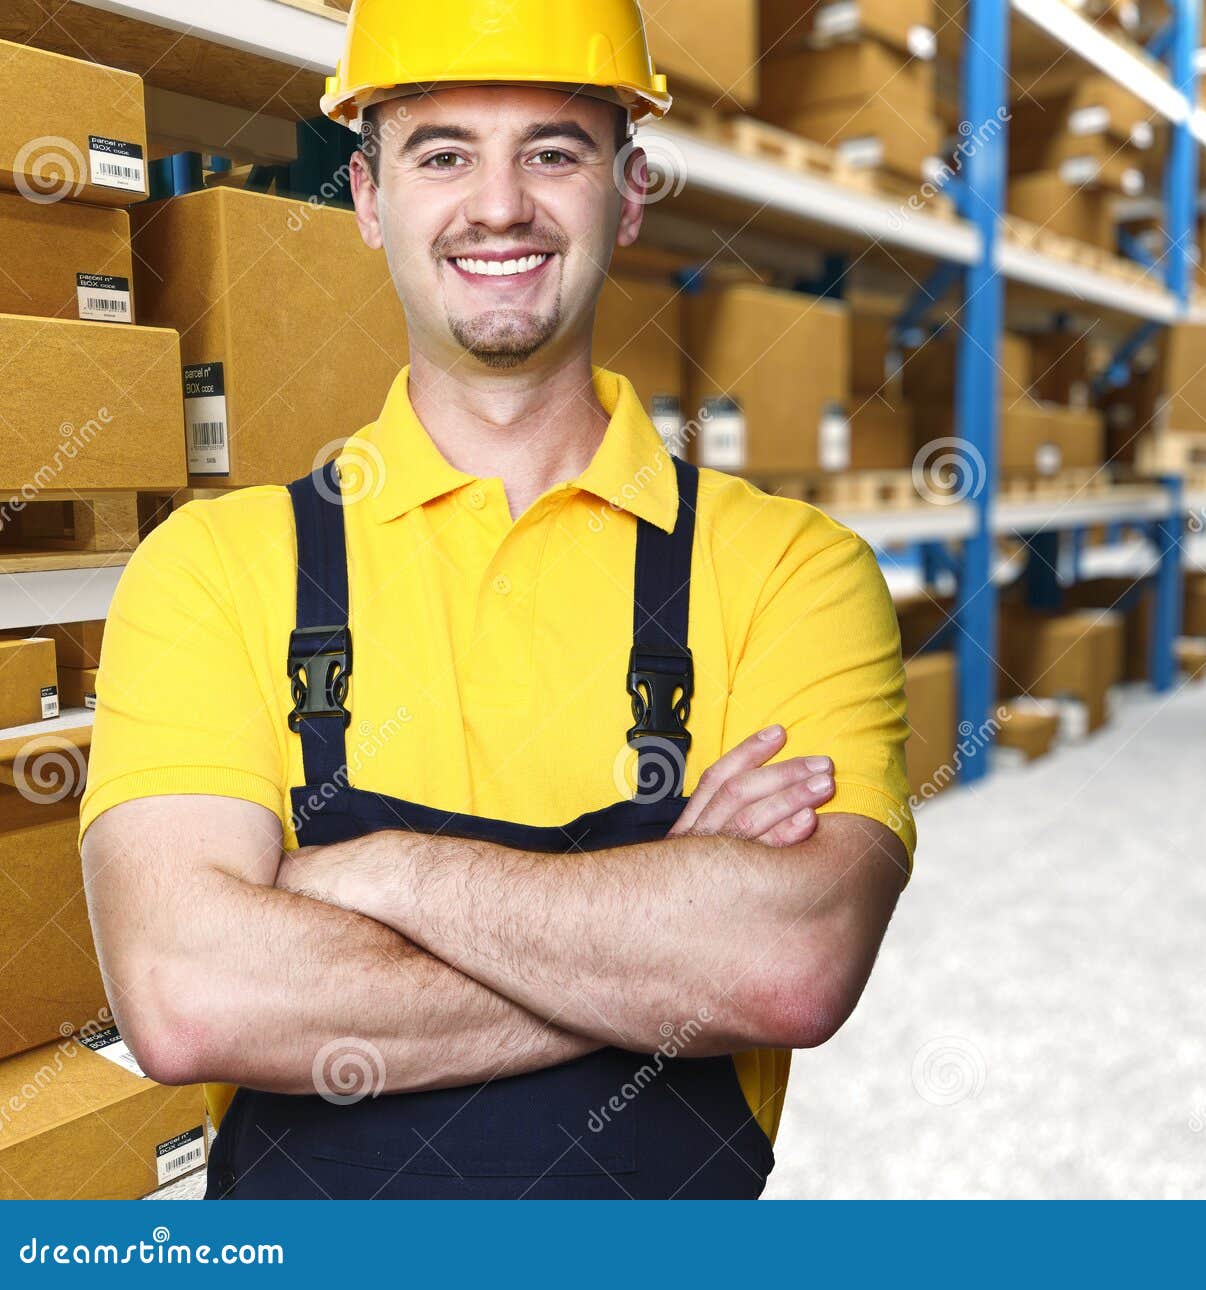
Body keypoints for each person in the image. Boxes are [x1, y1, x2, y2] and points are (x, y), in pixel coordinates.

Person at [79, 0, 913, 1200]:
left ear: (628, 191)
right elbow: (186, 997)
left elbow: (790, 964)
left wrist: (375, 874)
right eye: (443, 152)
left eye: (554, 150)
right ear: (368, 198)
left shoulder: (792, 568)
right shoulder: (214, 568)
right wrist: (660, 951)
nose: (500, 204)